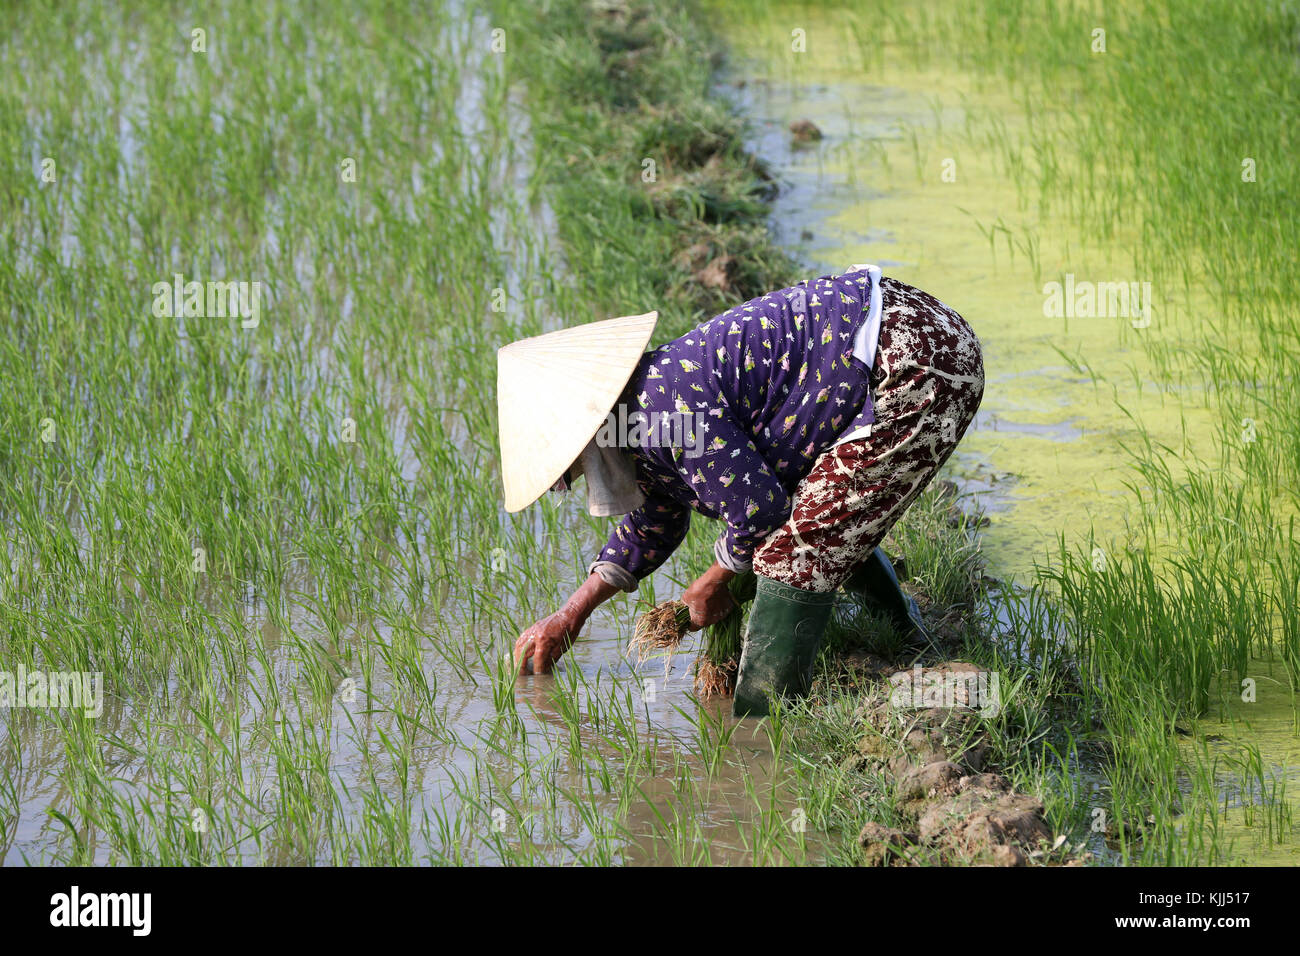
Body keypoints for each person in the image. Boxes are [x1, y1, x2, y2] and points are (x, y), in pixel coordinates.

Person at [497, 265, 984, 715]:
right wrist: (570, 613)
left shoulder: (661, 413)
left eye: (563, 466)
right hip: (908, 333)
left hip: (913, 360)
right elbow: (655, 520)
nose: (566, 480)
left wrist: (711, 584)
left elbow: (759, 510)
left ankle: (764, 725)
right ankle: (901, 635)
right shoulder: (639, 411)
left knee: (795, 548)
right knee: (827, 512)